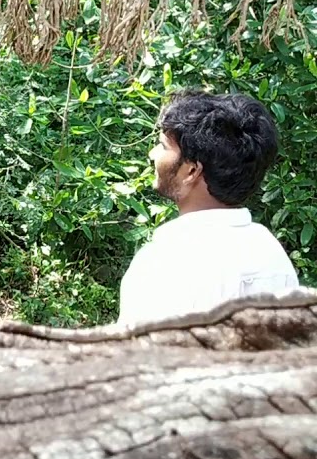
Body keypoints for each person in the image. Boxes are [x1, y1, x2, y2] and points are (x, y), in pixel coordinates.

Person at [115, 91, 300, 326]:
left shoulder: (162, 263)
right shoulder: (271, 253)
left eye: (163, 146)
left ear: (191, 171)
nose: (153, 154)